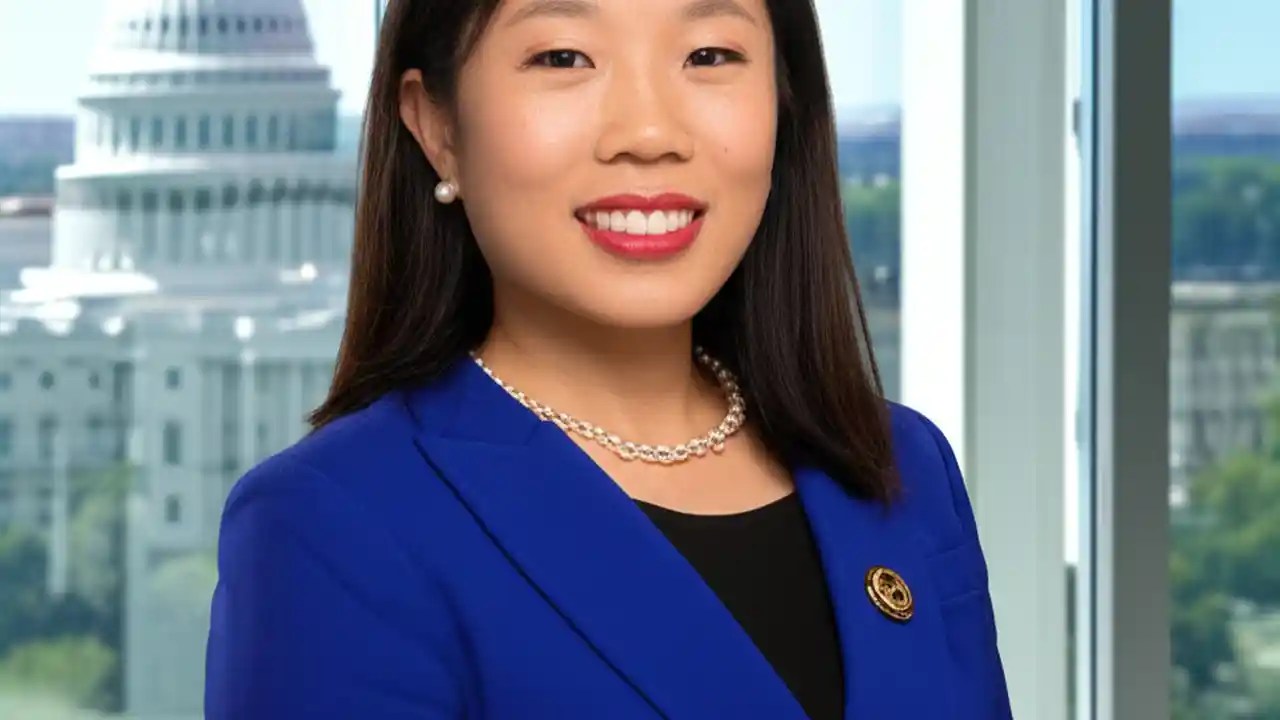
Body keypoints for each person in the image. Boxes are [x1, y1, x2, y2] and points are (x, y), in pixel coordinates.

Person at [203, 0, 1012, 717]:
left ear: (784, 98)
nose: (650, 134)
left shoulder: (902, 469)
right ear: (437, 127)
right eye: (563, 57)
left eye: (709, 55)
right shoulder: (330, 525)